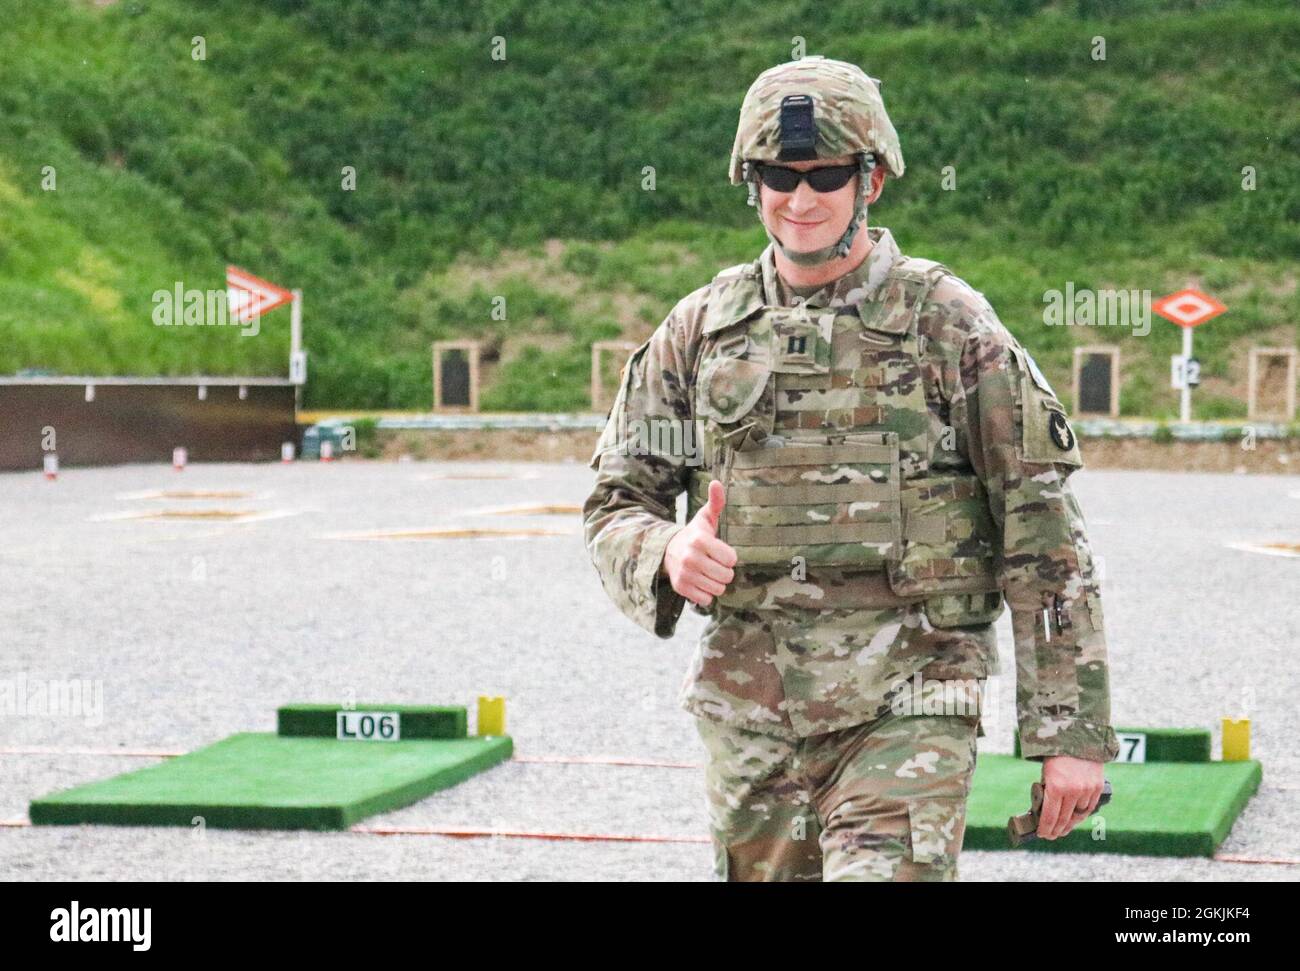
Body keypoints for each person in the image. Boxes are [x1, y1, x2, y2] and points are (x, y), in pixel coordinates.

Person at [583, 56, 1120, 881]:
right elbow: (617, 501)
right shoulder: (701, 331)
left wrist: (1068, 734)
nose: (800, 200)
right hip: (750, 712)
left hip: (912, 698)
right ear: (750, 180)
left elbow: (1041, 526)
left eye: (826, 174)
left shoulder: (947, 324)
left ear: (870, 178)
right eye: (777, 176)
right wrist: (666, 552)